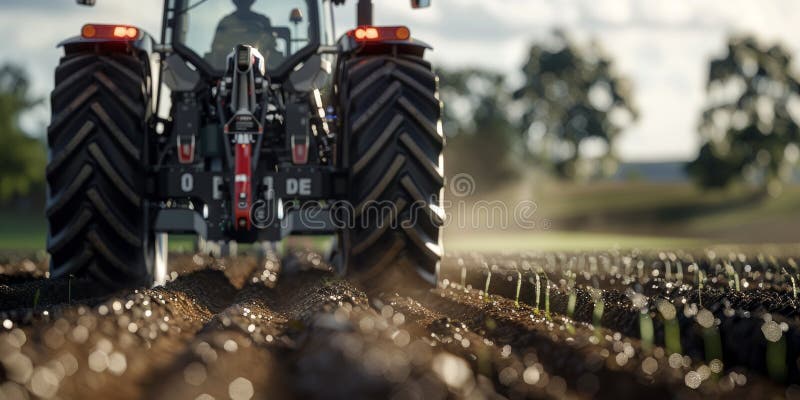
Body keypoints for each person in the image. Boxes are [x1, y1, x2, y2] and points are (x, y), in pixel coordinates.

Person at [208, 0, 278, 69]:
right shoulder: (225, 22)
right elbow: (216, 48)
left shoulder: (263, 22)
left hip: (260, 70)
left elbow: (271, 48)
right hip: (228, 70)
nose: (242, 1)